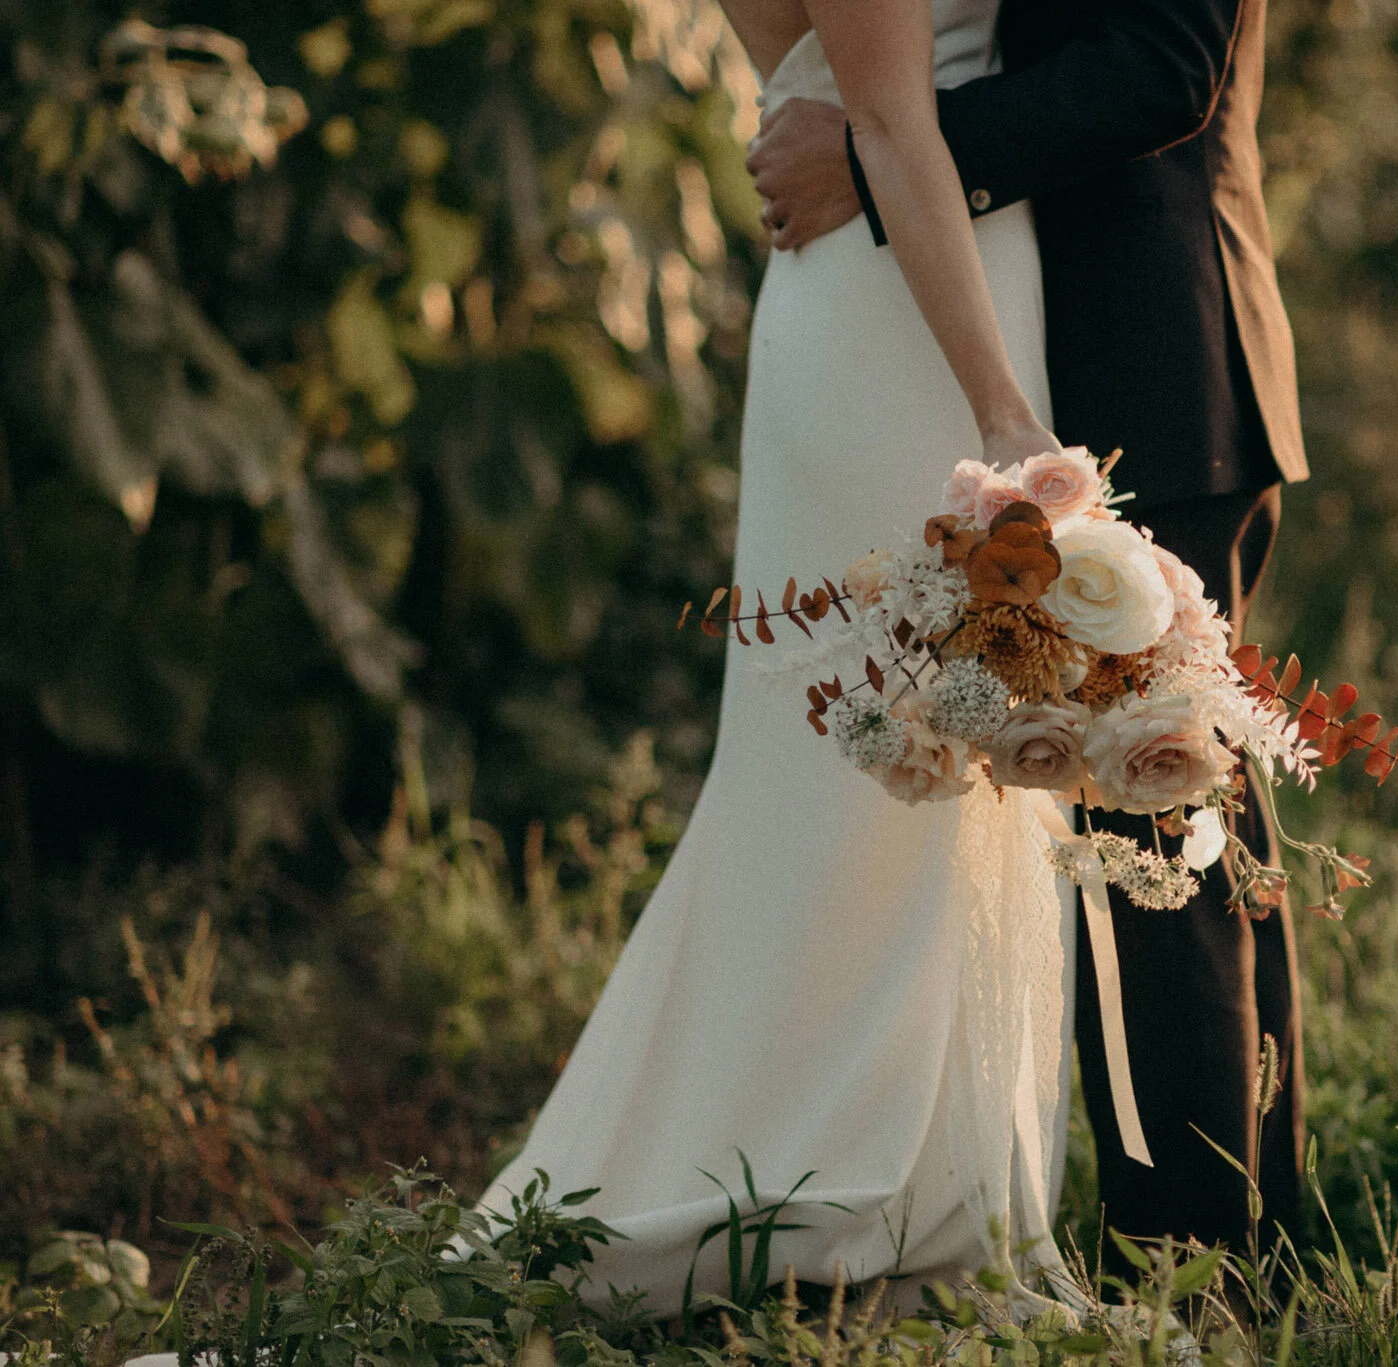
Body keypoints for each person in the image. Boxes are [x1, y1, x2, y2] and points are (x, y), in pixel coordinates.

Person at [477, 0, 1077, 1308]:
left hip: (905, 277)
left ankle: (930, 1197)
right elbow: (884, 121)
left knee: (940, 762)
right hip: (914, 318)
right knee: (864, 769)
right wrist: (1004, 410)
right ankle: (814, 1183)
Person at [746, 0, 1311, 1265]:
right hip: (1069, 354)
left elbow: (1159, 66)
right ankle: (1249, 1224)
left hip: (1151, 352)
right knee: (1185, 811)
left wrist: (876, 153)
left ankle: (1190, 1247)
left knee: (1157, 815)